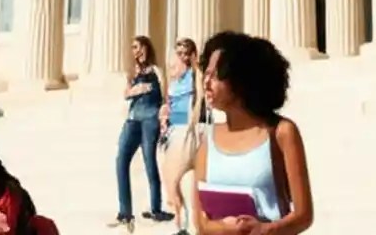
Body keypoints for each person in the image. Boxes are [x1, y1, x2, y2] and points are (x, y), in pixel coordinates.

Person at [191, 31, 313, 235]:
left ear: (241, 81)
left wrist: (265, 229)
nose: (206, 81)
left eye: (216, 74)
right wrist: (227, 229)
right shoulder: (207, 139)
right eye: (207, 72)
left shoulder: (282, 132)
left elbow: (304, 215)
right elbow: (201, 222)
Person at [111, 36, 172, 230]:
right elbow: (126, 93)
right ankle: (125, 211)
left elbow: (165, 96)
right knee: (121, 160)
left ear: (145, 47)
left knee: (149, 161)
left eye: (137, 47)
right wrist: (138, 88)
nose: (134, 51)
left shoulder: (156, 70)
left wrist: (164, 118)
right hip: (133, 119)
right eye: (132, 48)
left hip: (150, 119)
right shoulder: (132, 72)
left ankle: (156, 208)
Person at [158, 38, 206, 235]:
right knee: (170, 180)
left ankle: (186, 222)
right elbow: (168, 101)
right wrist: (164, 115)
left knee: (177, 176)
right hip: (172, 128)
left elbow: (200, 98)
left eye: (186, 52)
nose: (182, 56)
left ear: (192, 53)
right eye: (179, 52)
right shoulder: (174, 75)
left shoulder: (196, 73)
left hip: (187, 127)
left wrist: (193, 123)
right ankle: (180, 223)